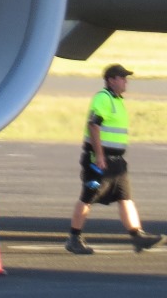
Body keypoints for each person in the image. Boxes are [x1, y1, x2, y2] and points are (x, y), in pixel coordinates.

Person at [64, 64, 165, 254]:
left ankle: (137, 237)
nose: (125, 81)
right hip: (100, 162)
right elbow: (93, 125)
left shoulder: (117, 100)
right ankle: (74, 238)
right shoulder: (103, 99)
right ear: (111, 80)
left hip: (117, 163)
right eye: (122, 77)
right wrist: (100, 156)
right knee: (87, 198)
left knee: (125, 198)